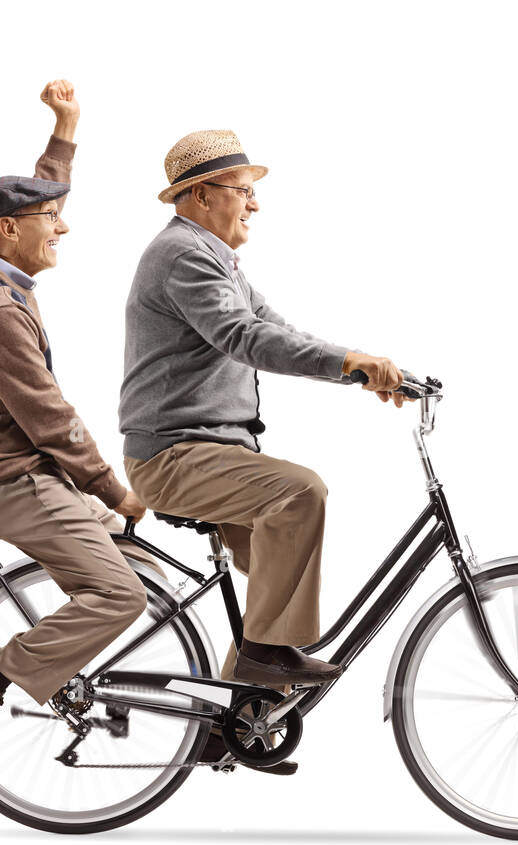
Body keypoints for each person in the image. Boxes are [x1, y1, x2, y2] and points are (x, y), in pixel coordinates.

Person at [119, 130, 408, 774]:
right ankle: (259, 663)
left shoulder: (216, 259)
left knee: (287, 593)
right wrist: (348, 363)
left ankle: (232, 724)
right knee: (300, 493)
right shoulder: (182, 256)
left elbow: (276, 329)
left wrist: (362, 370)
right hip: (176, 456)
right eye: (243, 192)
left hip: (212, 453)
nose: (254, 205)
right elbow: (244, 338)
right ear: (199, 195)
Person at [0, 80, 153, 765]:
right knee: (122, 596)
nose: (62, 226)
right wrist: (115, 490)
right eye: (48, 220)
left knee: (143, 573)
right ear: (10, 230)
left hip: (25, 476)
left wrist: (66, 129)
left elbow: (38, 192)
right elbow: (50, 419)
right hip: (16, 485)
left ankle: (84, 677)